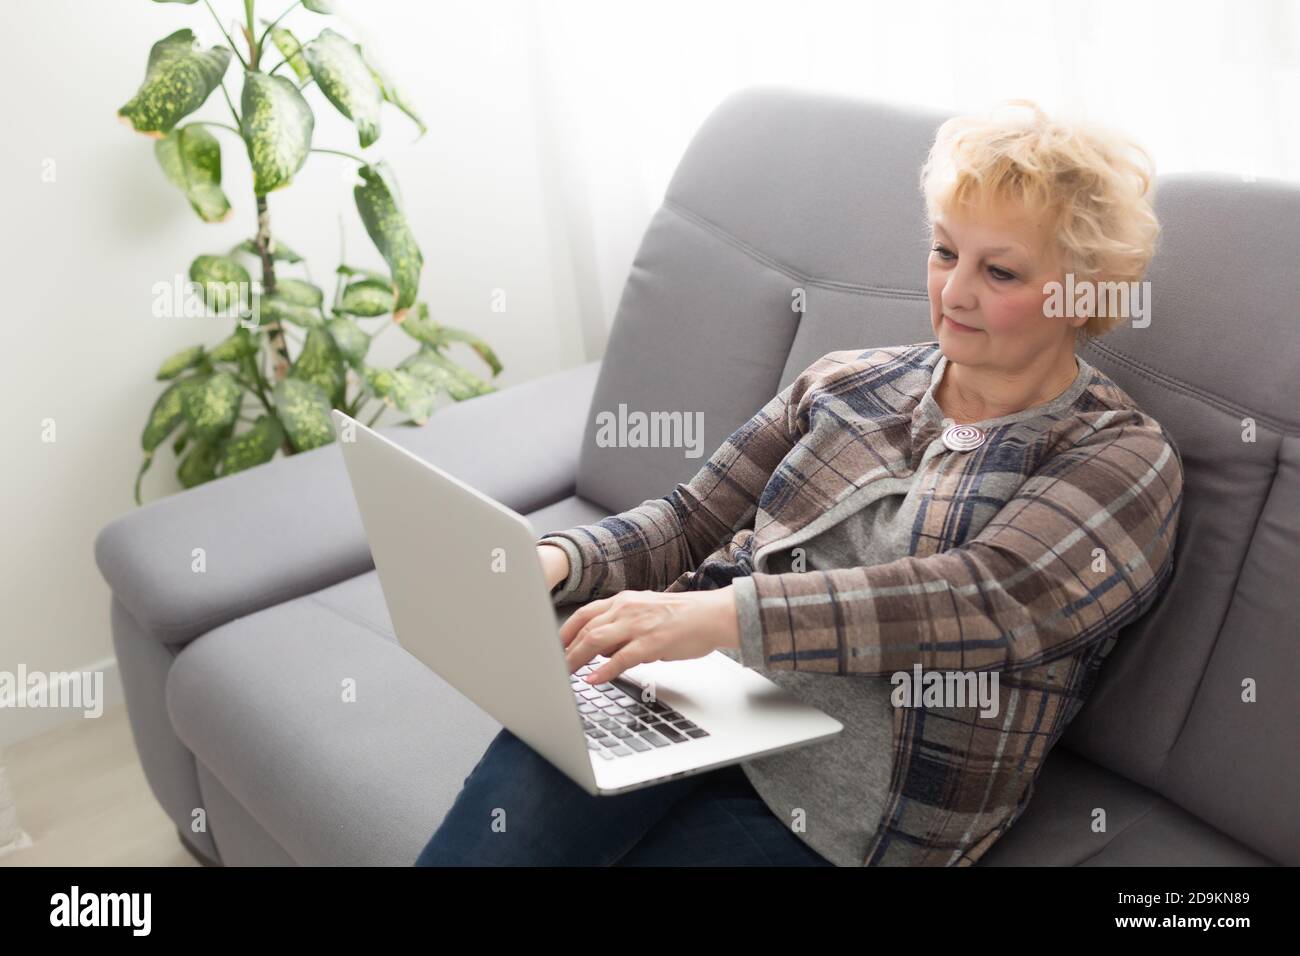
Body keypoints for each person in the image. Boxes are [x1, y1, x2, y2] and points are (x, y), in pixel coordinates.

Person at [416, 99, 1183, 867]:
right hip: (691, 696)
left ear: (1083, 293)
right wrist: (553, 562)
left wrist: (723, 616)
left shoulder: (1120, 460)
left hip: (846, 815)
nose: (954, 293)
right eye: (946, 252)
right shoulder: (849, 383)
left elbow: (978, 602)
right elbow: (693, 520)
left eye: (1001, 271)